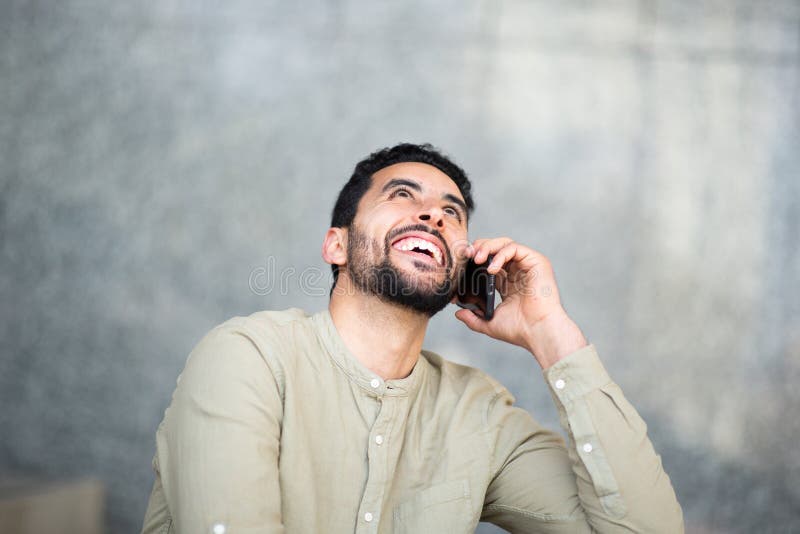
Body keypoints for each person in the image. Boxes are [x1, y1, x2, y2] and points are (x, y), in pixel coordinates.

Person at [141, 143, 683, 533]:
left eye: (453, 212)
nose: (435, 214)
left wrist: (551, 333)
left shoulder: (480, 415)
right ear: (336, 246)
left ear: (462, 272)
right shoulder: (248, 359)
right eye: (402, 195)